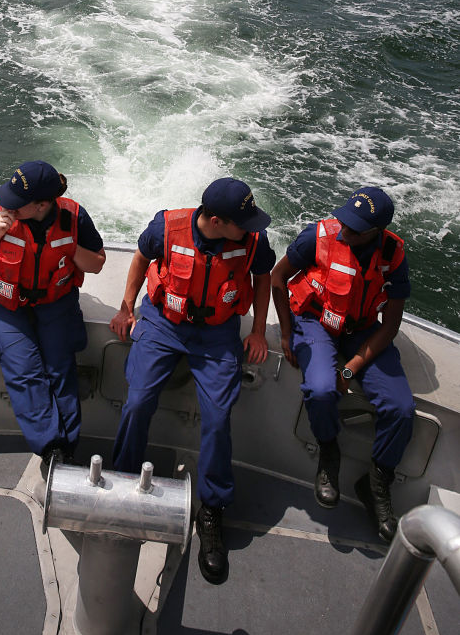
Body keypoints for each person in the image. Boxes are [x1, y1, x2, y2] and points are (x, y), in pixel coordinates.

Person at [109, 177, 275, 585]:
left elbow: (263, 278)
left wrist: (257, 330)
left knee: (218, 416)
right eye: (243, 221)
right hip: (164, 323)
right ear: (216, 221)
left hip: (217, 334)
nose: (251, 227)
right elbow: (139, 260)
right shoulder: (167, 228)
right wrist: (127, 307)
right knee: (138, 401)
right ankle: (124, 479)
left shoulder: (253, 241)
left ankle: (213, 510)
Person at [271, 186, 414, 543]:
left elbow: (391, 325)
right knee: (319, 390)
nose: (344, 230)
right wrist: (286, 332)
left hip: (362, 331)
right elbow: (277, 278)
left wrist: (350, 368)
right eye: (344, 221)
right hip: (315, 321)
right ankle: (329, 453)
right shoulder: (318, 236)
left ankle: (376, 482)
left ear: (375, 232)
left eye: (354, 228)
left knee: (401, 407)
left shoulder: (393, 255)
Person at [0, 161, 105, 468]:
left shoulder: (73, 217)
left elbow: (96, 263)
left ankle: (67, 446)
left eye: (18, 203)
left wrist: (70, 247)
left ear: (42, 205)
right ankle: (51, 447)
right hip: (4, 302)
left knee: (60, 367)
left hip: (55, 300)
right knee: (24, 370)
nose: (9, 206)